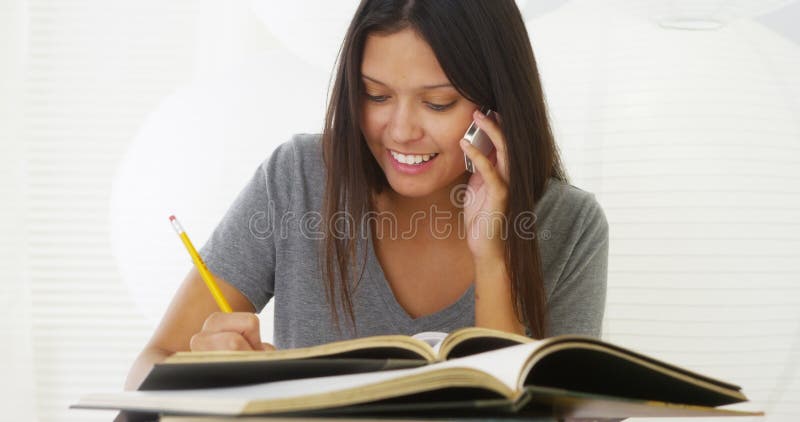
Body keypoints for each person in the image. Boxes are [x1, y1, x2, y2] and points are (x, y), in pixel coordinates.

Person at [124, 0, 608, 390]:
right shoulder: (298, 179)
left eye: (437, 103)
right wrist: (200, 376)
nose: (399, 131)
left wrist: (493, 259)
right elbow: (150, 365)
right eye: (375, 95)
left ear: (498, 105)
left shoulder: (569, 226)